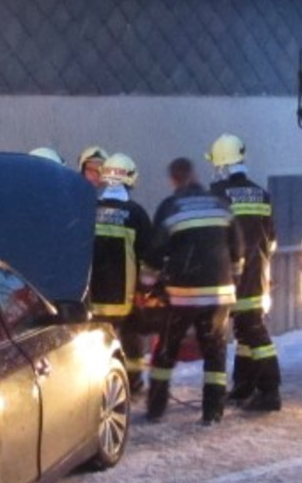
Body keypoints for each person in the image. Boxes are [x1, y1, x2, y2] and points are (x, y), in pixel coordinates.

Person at [142, 156, 242, 425]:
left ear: (174, 179)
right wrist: (234, 276)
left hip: (183, 293)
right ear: (195, 175)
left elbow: (155, 253)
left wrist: (147, 286)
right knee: (215, 351)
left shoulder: (173, 208)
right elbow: (237, 248)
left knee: (166, 349)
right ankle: (212, 411)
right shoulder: (221, 205)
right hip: (220, 292)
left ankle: (156, 406)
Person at [207, 133, 280, 412]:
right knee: (246, 331)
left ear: (222, 164)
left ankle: (270, 391)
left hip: (229, 277)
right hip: (256, 275)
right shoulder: (262, 194)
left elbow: (214, 239)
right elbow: (271, 240)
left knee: (254, 333)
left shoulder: (217, 196)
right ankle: (244, 385)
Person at [91, 152, 155, 394]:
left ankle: (96, 385)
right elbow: (148, 255)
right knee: (131, 338)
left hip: (91, 298)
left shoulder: (88, 209)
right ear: (130, 178)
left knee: (95, 343)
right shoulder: (136, 214)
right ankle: (134, 382)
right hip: (125, 299)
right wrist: (146, 289)